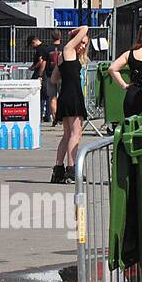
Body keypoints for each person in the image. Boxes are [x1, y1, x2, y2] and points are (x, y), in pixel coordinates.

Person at [51, 26, 91, 184]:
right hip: (72, 96)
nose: (82, 46)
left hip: (66, 95)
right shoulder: (68, 50)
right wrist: (74, 32)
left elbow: (54, 78)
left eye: (85, 44)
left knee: (67, 135)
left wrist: (65, 74)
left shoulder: (63, 56)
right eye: (81, 42)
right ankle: (71, 170)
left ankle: (58, 170)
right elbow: (86, 28)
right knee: (76, 134)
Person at [28, 36, 49, 122]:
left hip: (41, 74)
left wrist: (33, 68)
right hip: (46, 74)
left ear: (34, 41)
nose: (32, 47)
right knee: (46, 95)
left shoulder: (40, 49)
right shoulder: (46, 47)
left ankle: (39, 115)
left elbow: (41, 62)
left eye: (32, 44)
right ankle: (47, 115)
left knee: (39, 95)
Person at [44, 34, 62, 122]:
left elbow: (44, 63)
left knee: (52, 97)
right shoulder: (63, 48)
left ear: (52, 37)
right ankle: (62, 117)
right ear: (60, 37)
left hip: (50, 75)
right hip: (61, 75)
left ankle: (55, 118)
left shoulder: (48, 49)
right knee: (62, 96)